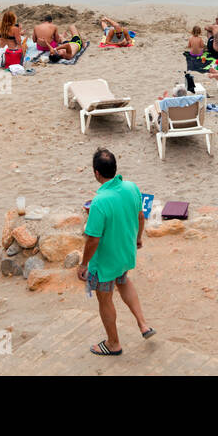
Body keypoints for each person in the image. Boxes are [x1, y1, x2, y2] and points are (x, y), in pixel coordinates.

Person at [77, 147, 154, 355]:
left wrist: (84, 264)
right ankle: (143, 324)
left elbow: (93, 239)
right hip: (125, 253)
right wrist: (138, 239)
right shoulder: (131, 187)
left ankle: (113, 344)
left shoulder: (99, 202)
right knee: (123, 281)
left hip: (105, 263)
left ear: (96, 173)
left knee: (105, 298)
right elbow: (140, 216)